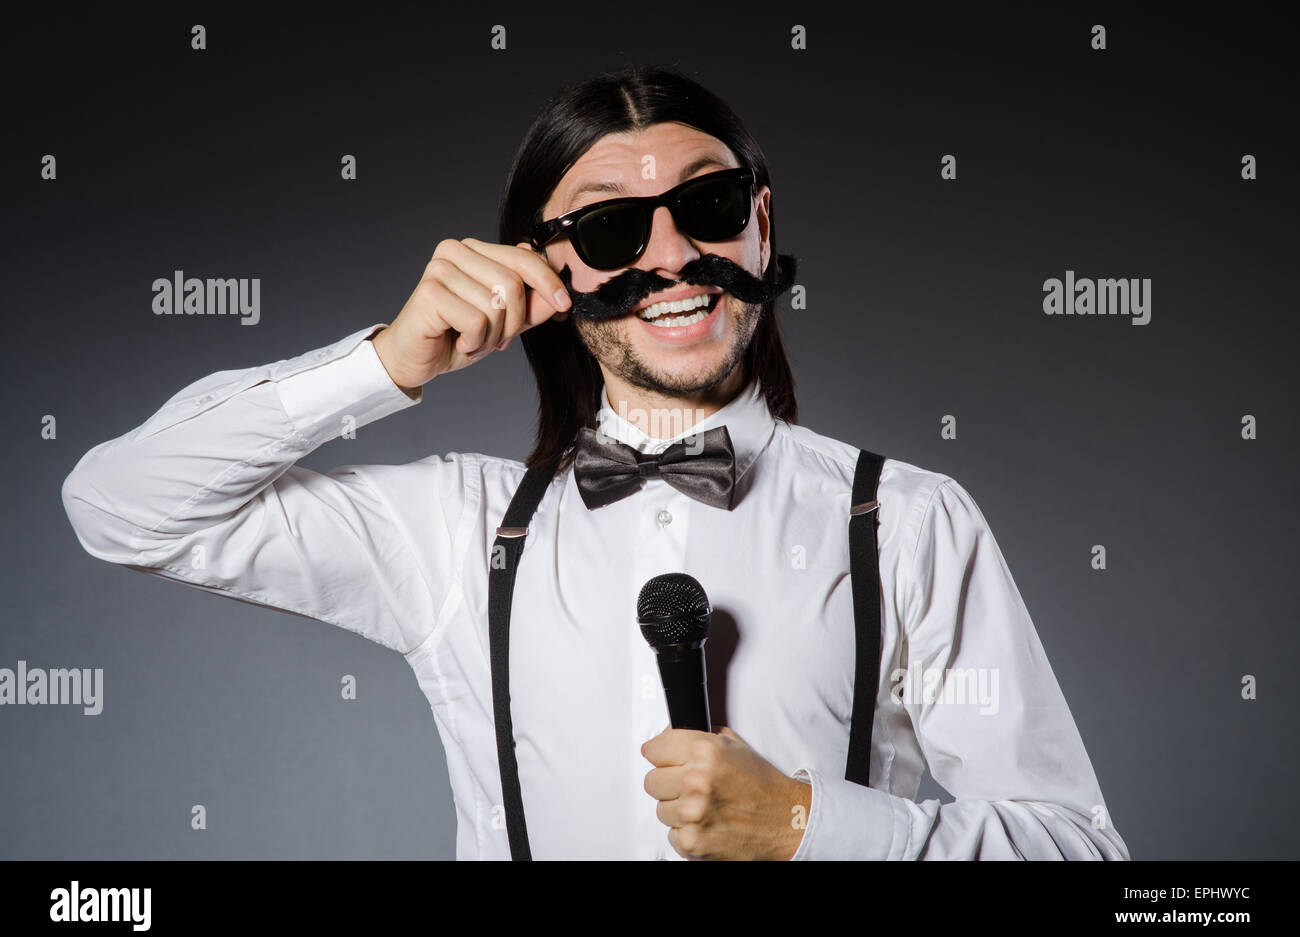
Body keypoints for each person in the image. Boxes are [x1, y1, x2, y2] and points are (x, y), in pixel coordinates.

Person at [61, 64, 1128, 861]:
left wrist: (815, 825)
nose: (670, 257)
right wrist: (382, 365)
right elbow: (120, 508)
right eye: (614, 230)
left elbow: (1081, 853)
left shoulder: (903, 520)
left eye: (707, 208)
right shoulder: (460, 532)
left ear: (758, 224)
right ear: (549, 267)